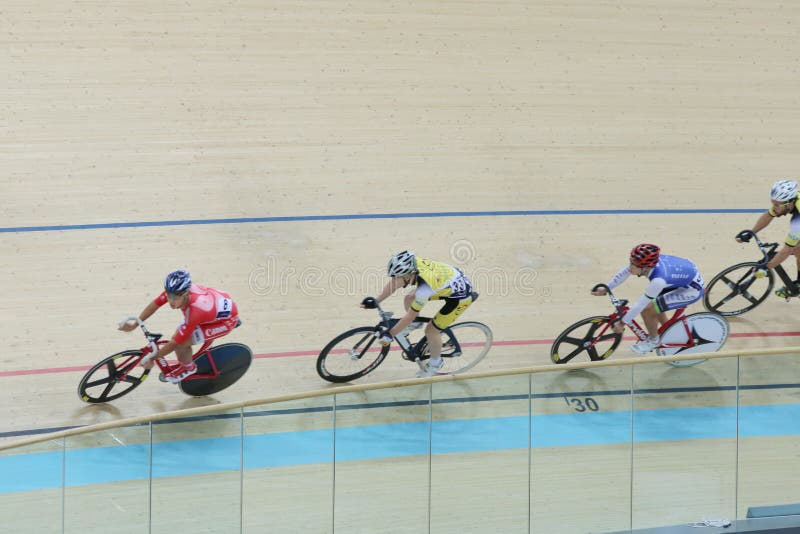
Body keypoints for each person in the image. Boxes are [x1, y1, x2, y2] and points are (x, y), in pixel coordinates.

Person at [361, 250, 476, 377]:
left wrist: (390, 334)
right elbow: (395, 283)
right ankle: (414, 326)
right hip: (447, 281)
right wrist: (377, 300)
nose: (396, 279)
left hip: (460, 298)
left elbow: (410, 316)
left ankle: (435, 363)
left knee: (431, 330)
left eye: (399, 277)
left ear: (410, 274)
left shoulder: (424, 291)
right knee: (409, 298)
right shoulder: (413, 266)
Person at [118, 270, 240, 383]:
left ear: (185, 294)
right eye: (168, 295)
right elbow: (155, 304)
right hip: (215, 307)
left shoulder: (195, 312)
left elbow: (175, 344)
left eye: (175, 298)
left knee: (181, 344)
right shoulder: (175, 290)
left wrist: (153, 358)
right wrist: (135, 324)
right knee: (178, 336)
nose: (170, 301)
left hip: (226, 321)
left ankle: (189, 368)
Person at [592, 244, 704, 354]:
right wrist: (607, 288)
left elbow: (641, 305)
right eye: (631, 262)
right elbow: (626, 271)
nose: (631, 267)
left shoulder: (658, 280)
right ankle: (668, 331)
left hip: (691, 290)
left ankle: (653, 341)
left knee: (647, 310)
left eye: (634, 265)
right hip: (680, 277)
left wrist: (622, 323)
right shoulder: (645, 263)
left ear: (646, 267)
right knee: (655, 305)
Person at [737, 179, 800, 297]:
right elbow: (768, 215)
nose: (774, 207)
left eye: (776, 205)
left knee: (795, 248)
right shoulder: (789, 200)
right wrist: (751, 233)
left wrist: (766, 268)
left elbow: (786, 251)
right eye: (773, 203)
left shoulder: (798, 222)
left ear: (789, 203)